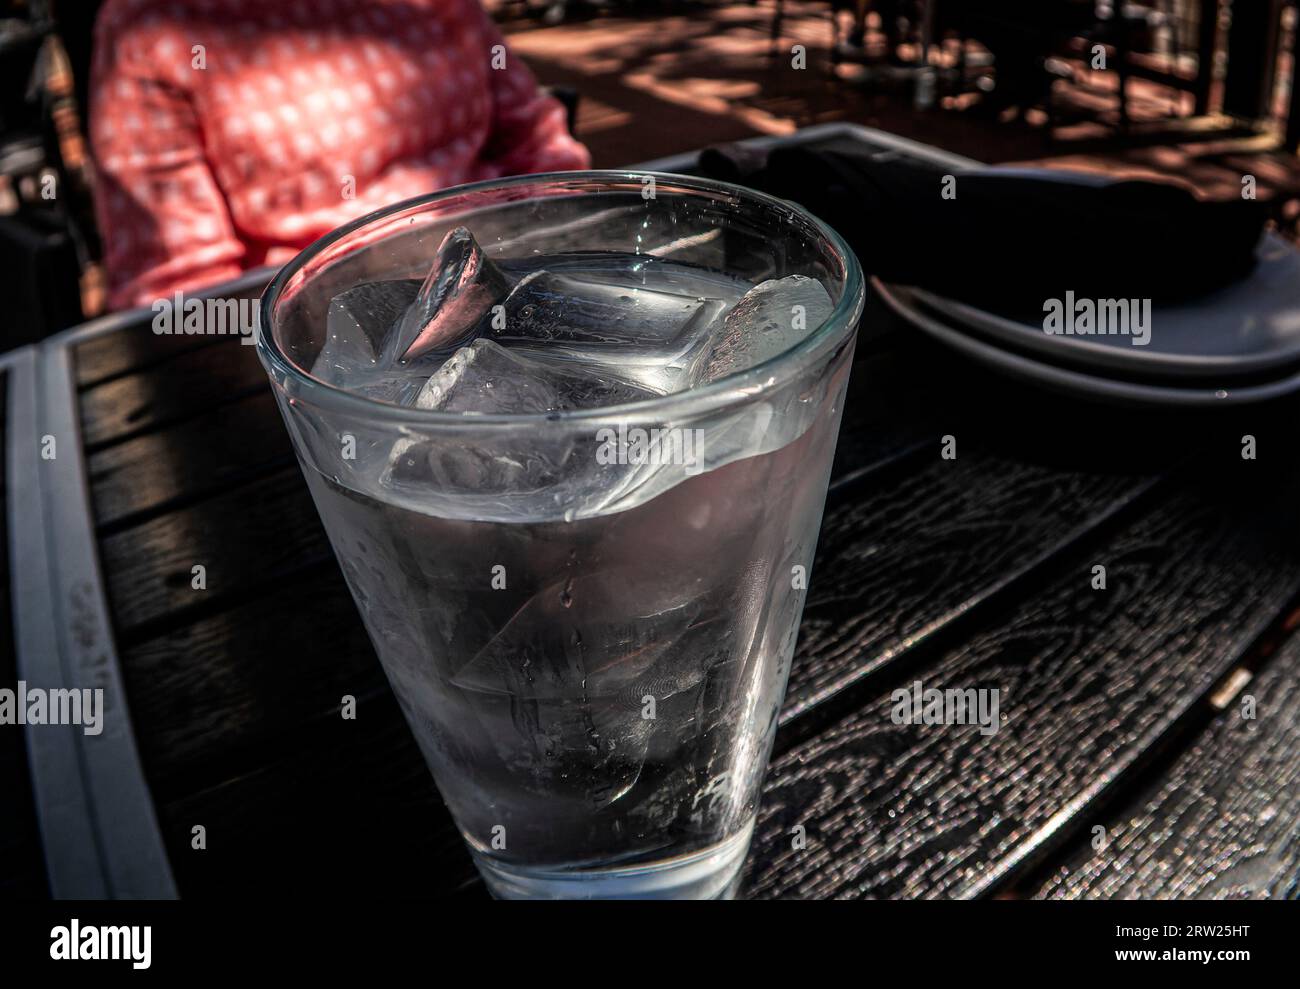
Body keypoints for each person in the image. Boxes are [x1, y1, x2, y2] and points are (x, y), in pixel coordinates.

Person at [88, 0, 591, 310]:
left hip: (517, 274)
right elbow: (183, 292)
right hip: (326, 339)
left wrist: (559, 242)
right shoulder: (149, 26)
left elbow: (532, 133)